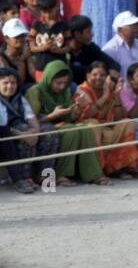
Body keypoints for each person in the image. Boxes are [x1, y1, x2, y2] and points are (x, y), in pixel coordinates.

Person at [26, 60, 110, 186]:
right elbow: (30, 119)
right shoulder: (36, 91)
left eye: (65, 83)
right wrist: (52, 116)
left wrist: (76, 110)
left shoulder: (65, 92)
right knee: (71, 132)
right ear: (49, 78)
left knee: (85, 129)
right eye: (58, 83)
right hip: (43, 126)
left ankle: (94, 174)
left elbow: (70, 118)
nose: (61, 86)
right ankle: (61, 174)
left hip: (62, 124)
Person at [0, 66, 57, 194]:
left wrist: (35, 132)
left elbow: (31, 117)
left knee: (49, 131)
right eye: (5, 83)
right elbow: (3, 127)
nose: (10, 86)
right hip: (8, 134)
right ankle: (25, 177)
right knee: (24, 130)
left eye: (13, 83)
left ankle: (44, 174)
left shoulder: (19, 98)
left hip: (22, 129)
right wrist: (23, 134)